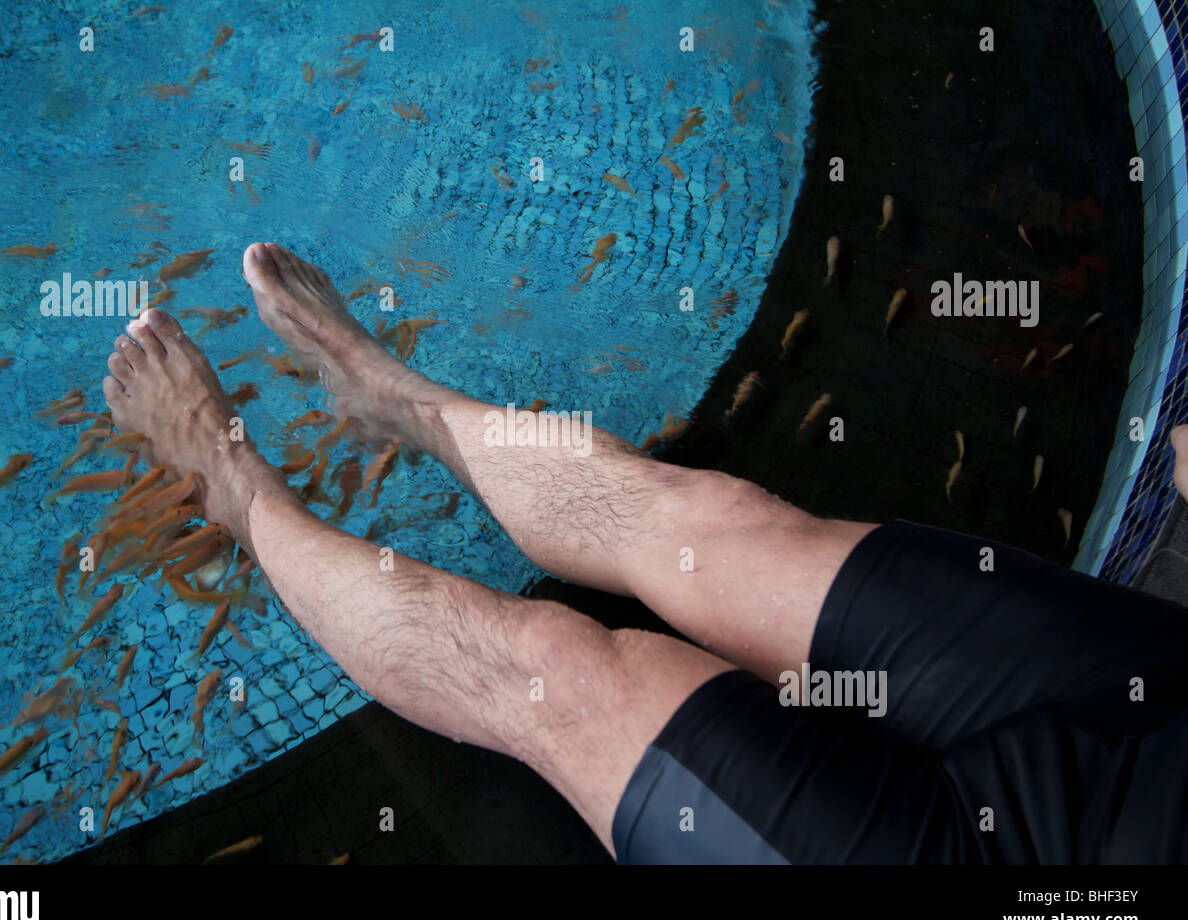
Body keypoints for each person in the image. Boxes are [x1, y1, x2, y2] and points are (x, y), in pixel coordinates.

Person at [102, 242, 1188, 863]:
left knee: (553, 674)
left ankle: (233, 491)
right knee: (711, 523)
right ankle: (396, 399)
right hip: (1145, 709)